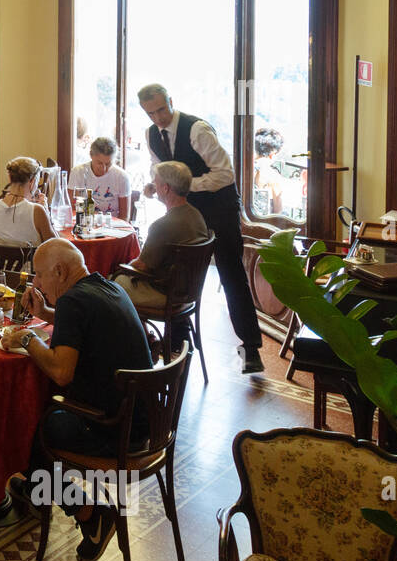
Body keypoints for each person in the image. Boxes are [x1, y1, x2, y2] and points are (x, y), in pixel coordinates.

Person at [3, 238, 153, 561]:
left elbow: (60, 372)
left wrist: (26, 338)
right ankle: (35, 490)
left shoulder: (73, 302)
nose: (37, 284)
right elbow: (83, 324)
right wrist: (44, 313)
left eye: (40, 276)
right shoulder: (107, 287)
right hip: (146, 422)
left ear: (59, 270)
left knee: (38, 426)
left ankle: (90, 513)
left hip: (116, 432)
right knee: (48, 418)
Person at [138, 83, 264, 374]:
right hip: (184, 210)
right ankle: (179, 339)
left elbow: (224, 174)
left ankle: (251, 347)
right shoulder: (150, 135)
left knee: (231, 271)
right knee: (174, 269)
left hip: (219, 206)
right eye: (150, 113)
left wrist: (184, 185)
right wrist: (156, 185)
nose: (157, 118)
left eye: (161, 109)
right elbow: (160, 168)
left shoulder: (197, 130)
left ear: (171, 100)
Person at [114, 161, 210, 308]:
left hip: (165, 294)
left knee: (111, 284)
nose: (154, 186)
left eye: (156, 183)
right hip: (188, 292)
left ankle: (130, 330)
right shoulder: (196, 215)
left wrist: (119, 269)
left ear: (165, 188)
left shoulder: (163, 225)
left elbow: (141, 266)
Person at [0, 157, 58, 248]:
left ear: (9, 178)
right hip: (28, 262)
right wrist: (46, 211)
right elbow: (56, 247)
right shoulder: (37, 211)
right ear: (32, 181)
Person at [69, 136, 131, 219]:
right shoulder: (77, 172)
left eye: (108, 164)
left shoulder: (122, 177)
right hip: (84, 224)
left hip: (112, 227)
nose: (104, 168)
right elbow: (72, 209)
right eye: (99, 163)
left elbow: (124, 217)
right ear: (91, 155)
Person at [253, 127, 285, 216]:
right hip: (262, 225)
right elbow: (278, 212)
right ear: (273, 154)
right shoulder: (273, 176)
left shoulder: (243, 169)